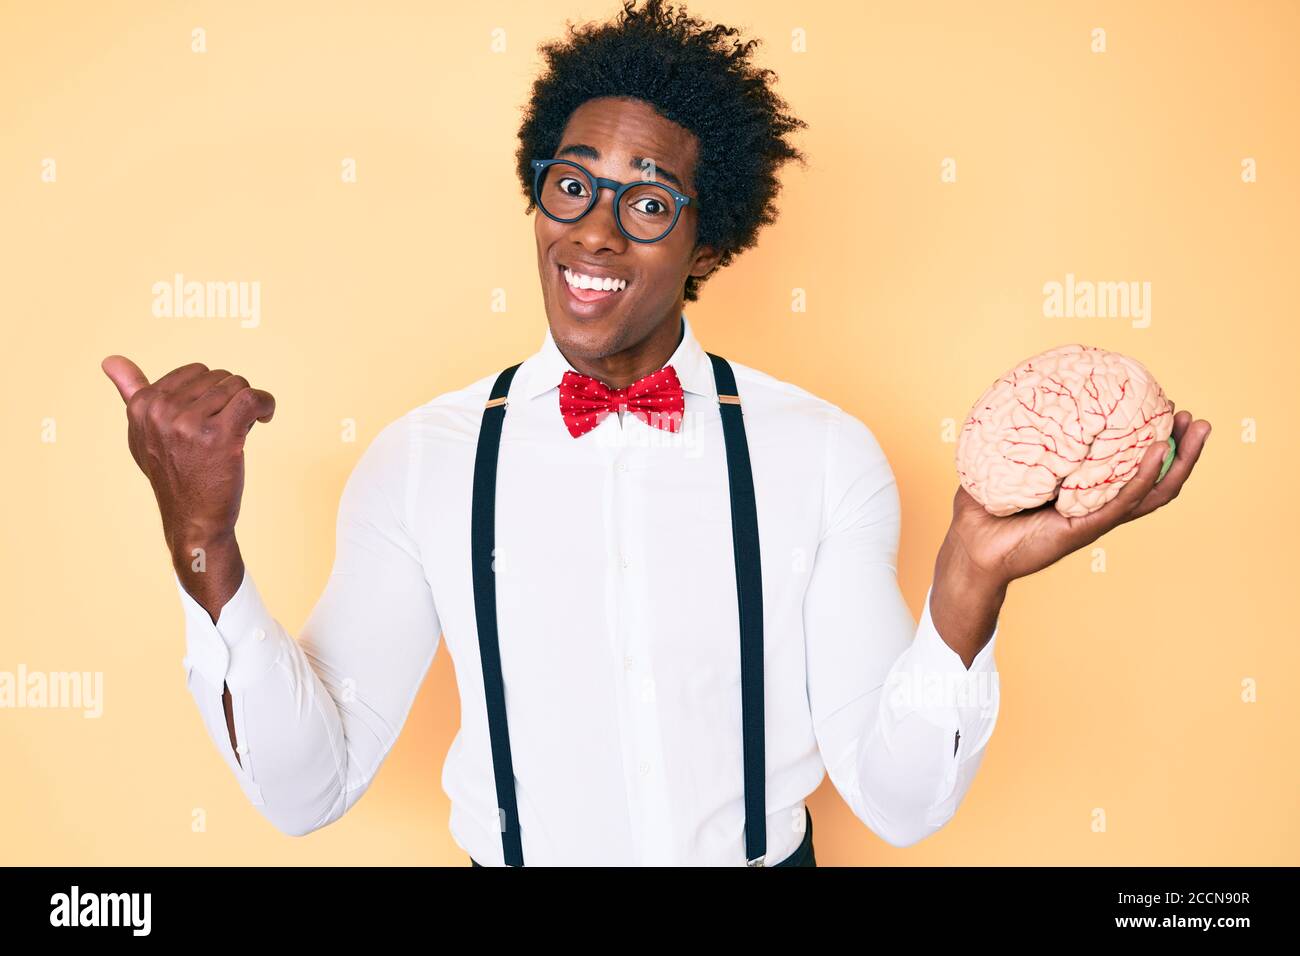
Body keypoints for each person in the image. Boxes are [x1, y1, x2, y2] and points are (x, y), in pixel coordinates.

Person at [100, 0, 1211, 866]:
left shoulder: (821, 453)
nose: (591, 230)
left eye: (645, 201)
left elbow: (900, 800)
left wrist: (971, 571)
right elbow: (308, 787)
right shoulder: (421, 458)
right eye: (570, 184)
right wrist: (205, 543)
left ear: (705, 239)